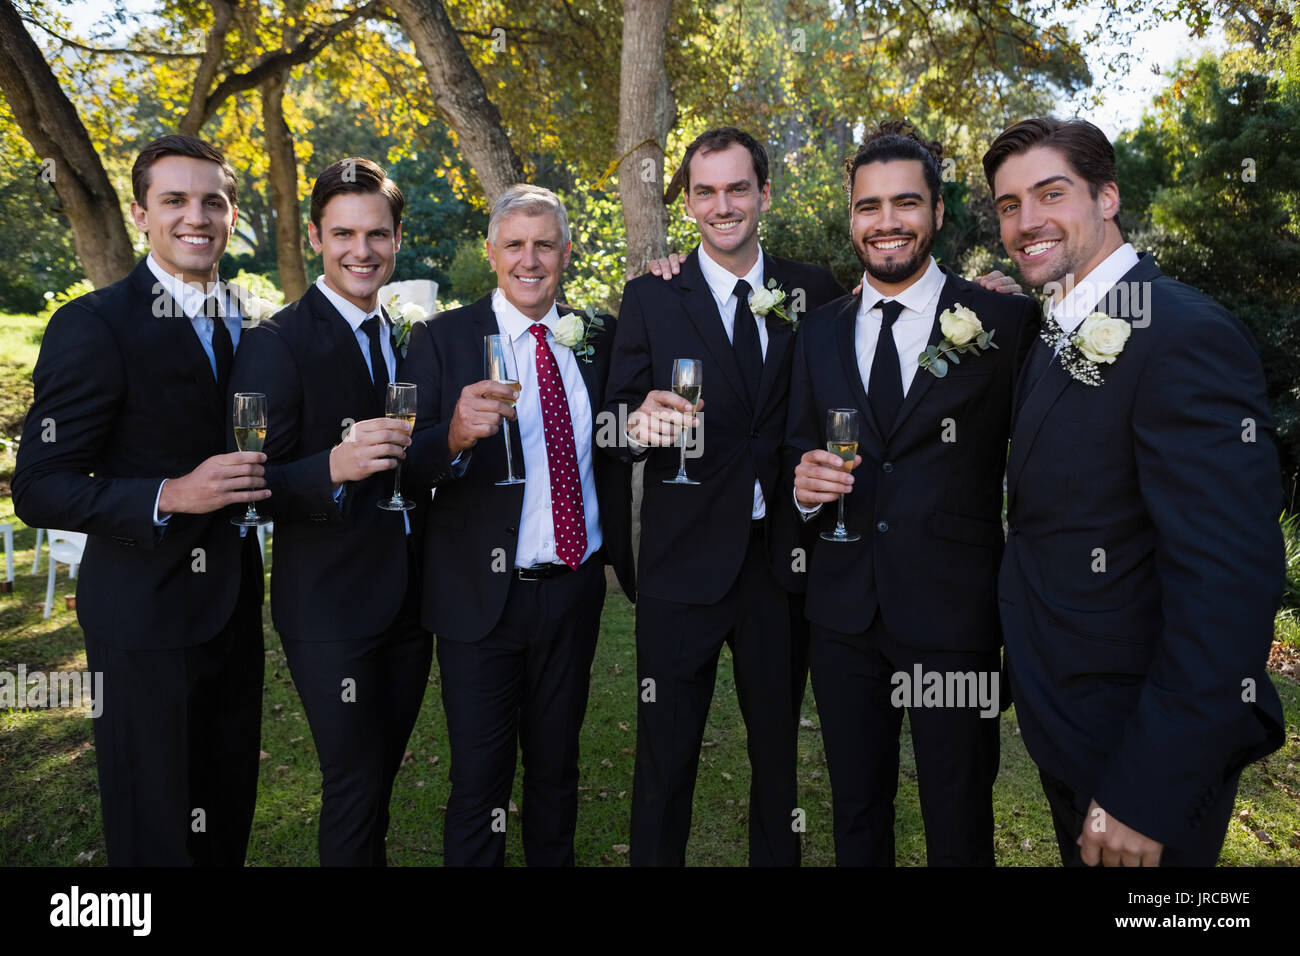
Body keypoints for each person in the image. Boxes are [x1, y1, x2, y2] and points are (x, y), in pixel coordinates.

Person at [984, 116, 1285, 866]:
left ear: (1108, 196)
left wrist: (1151, 789)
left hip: (1143, 748)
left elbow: (1229, 585)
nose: (1027, 222)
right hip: (1069, 719)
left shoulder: (1179, 334)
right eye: (1009, 205)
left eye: (1051, 194)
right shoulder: (1053, 327)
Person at [787, 121, 1040, 866]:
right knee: (857, 812)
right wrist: (802, 492)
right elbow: (790, 453)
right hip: (841, 615)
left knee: (958, 815)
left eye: (906, 203)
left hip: (953, 616)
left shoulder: (1003, 319)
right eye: (869, 206)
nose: (887, 222)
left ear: (935, 211)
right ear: (852, 216)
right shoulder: (818, 333)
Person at [12, 134, 267, 865]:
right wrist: (170, 494)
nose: (198, 216)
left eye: (213, 200)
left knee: (224, 822)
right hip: (143, 620)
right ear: (140, 214)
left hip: (234, 612)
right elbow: (38, 486)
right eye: (176, 200)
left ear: (230, 213)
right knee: (157, 835)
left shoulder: (245, 321)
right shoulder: (94, 325)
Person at [606, 127, 845, 866]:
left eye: (737, 188)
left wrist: (990, 293)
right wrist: (638, 423)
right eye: (704, 192)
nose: (722, 205)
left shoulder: (816, 290)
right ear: (689, 203)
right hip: (682, 566)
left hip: (783, 563)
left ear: (764, 194)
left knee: (778, 762)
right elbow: (611, 422)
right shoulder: (652, 293)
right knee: (664, 762)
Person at [401, 184, 635, 866]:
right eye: (514, 245)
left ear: (564, 252)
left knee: (558, 770)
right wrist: (450, 436)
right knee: (480, 782)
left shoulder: (597, 336)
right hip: (480, 598)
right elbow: (403, 467)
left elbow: (624, 425)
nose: (529, 260)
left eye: (543, 245)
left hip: (573, 589)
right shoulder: (442, 339)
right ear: (492, 253)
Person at [228, 157, 431, 866]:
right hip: (329, 612)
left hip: (410, 605)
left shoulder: (402, 335)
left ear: (398, 238)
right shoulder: (273, 342)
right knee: (352, 783)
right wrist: (331, 468)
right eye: (343, 233)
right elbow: (248, 483)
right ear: (316, 236)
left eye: (376, 234)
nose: (361, 251)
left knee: (378, 781)